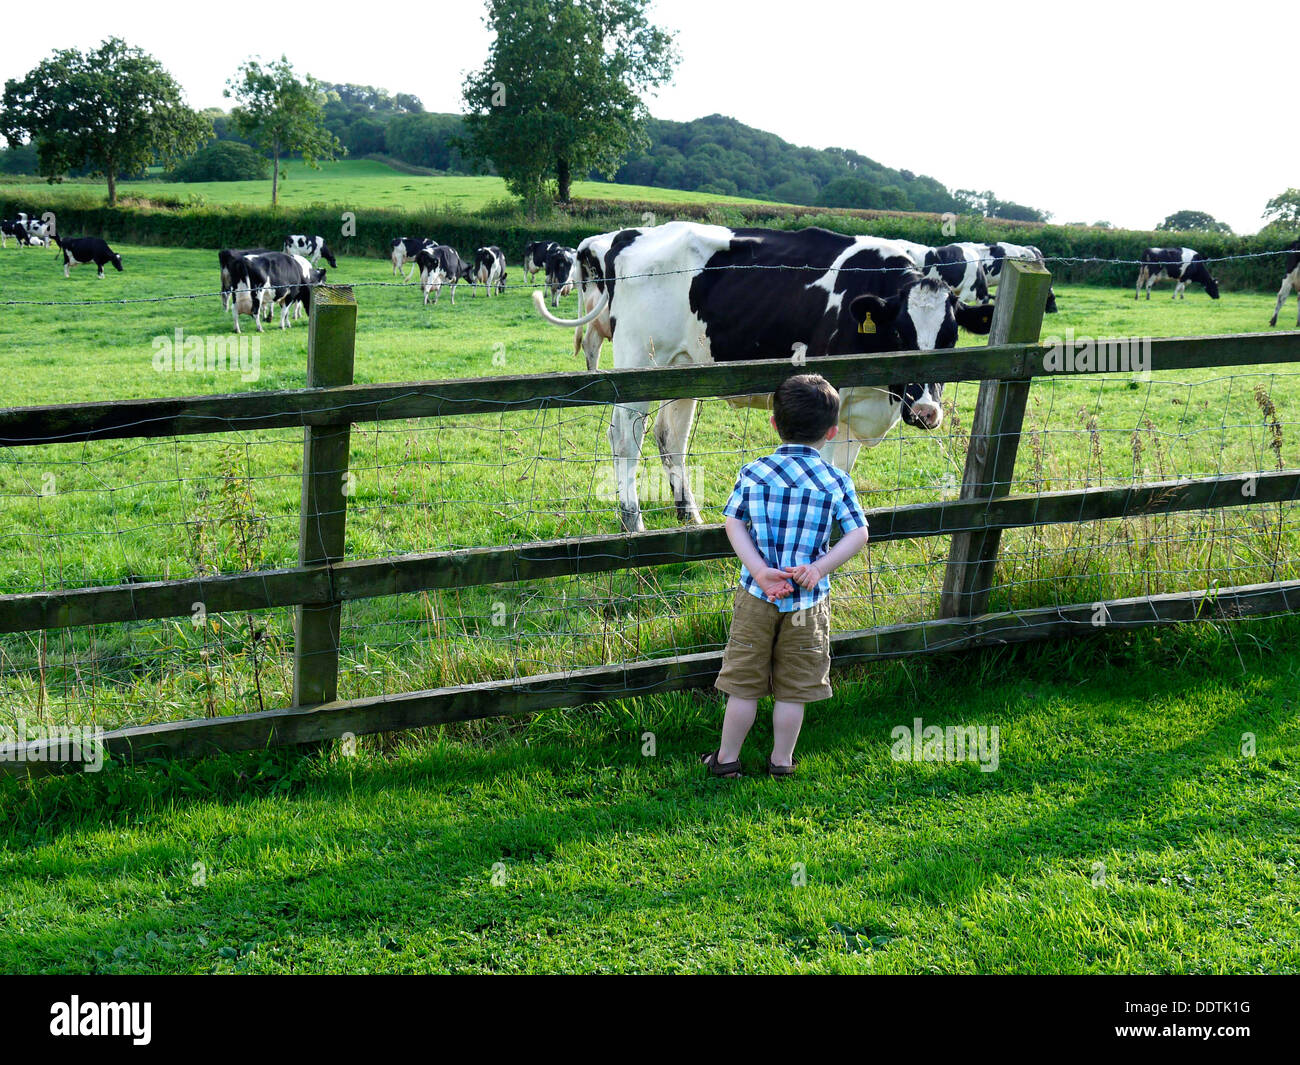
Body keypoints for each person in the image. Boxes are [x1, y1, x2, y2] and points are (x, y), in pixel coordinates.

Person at [702, 373, 870, 778]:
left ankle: (726, 760)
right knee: (795, 687)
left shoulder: (755, 472)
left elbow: (733, 523)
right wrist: (818, 568)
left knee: (743, 683)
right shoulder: (835, 480)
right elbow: (859, 533)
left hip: (759, 596)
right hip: (806, 604)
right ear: (831, 432)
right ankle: (781, 761)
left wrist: (759, 570)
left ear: (774, 424)